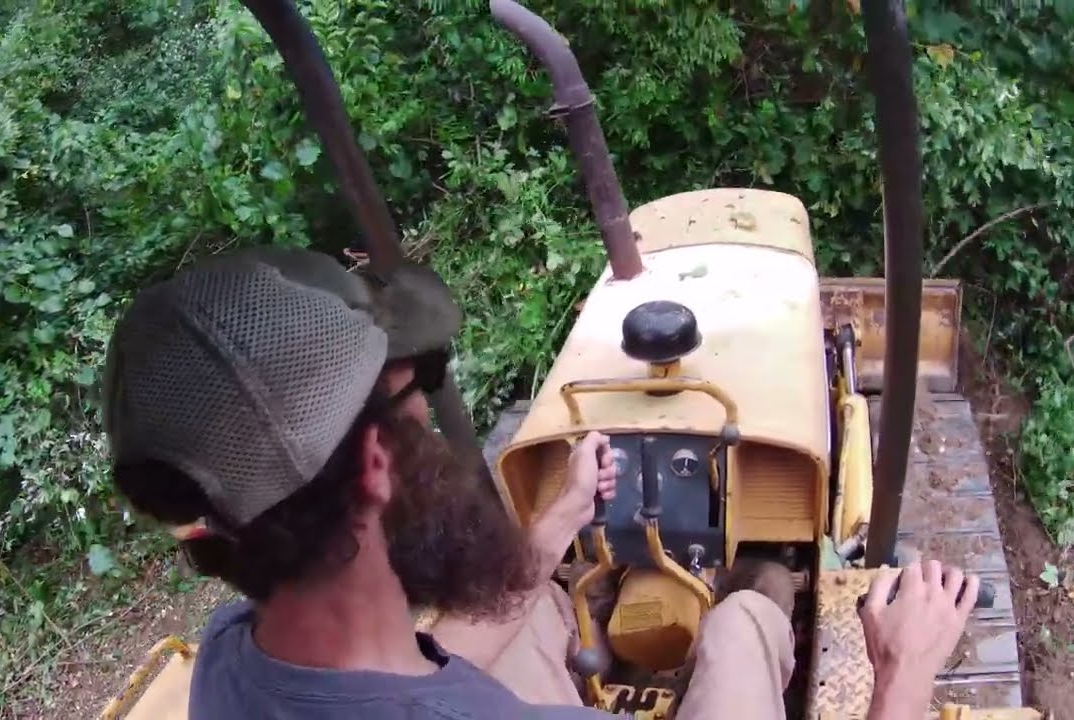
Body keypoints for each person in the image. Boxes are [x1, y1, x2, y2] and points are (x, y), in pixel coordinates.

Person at [102, 246, 982, 719]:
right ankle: (763, 599)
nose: (432, 410)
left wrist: (555, 527)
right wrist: (901, 672)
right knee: (741, 630)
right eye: (423, 383)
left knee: (531, 618)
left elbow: (414, 675)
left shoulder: (230, 659)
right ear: (374, 464)